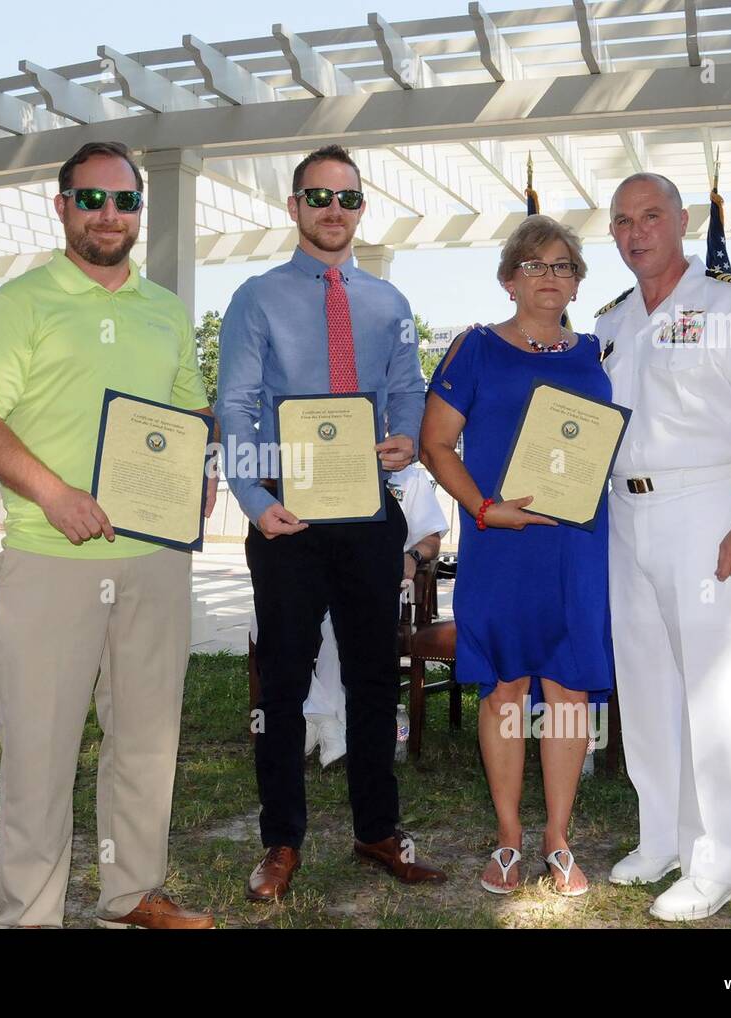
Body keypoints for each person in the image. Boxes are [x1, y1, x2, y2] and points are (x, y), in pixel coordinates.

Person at [0, 141, 215, 930]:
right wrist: (54, 493)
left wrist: (199, 471)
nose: (111, 214)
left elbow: (192, 412)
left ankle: (131, 894)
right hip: (50, 556)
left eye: (125, 201)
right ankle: (28, 915)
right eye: (93, 198)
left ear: (140, 211)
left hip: (153, 559)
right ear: (62, 204)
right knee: (39, 752)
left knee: (146, 740)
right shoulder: (20, 303)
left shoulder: (165, 310)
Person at [218, 143, 446, 902]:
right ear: (294, 207)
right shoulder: (257, 296)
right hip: (288, 513)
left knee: (374, 675)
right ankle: (281, 842)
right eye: (318, 197)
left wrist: (408, 437)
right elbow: (237, 403)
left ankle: (377, 832)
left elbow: (407, 390)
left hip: (368, 507)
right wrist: (253, 499)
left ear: (361, 210)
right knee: (280, 681)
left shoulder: (390, 304)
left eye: (347, 199)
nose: (333, 211)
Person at [595, 172, 731, 921]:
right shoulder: (610, 320)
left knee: (712, 690)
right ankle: (661, 838)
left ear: (682, 220)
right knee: (646, 684)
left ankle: (718, 862)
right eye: (621, 220)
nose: (635, 231)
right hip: (627, 512)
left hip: (705, 506)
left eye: (650, 215)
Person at [420, 215, 612, 897]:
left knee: (566, 688)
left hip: (575, 546)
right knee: (504, 687)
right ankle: (508, 838)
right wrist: (482, 507)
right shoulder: (473, 348)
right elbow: (435, 445)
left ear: (577, 281)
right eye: (536, 265)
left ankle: (558, 840)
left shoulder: (595, 352)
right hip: (499, 542)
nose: (551, 276)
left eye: (564, 266)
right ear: (509, 278)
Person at [249, 463, 449, 768]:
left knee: (340, 629)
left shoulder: (411, 477)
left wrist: (412, 556)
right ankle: (322, 714)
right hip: (316, 577)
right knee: (261, 625)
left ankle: (333, 725)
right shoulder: (316, 463)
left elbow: (432, 539)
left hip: (377, 583)